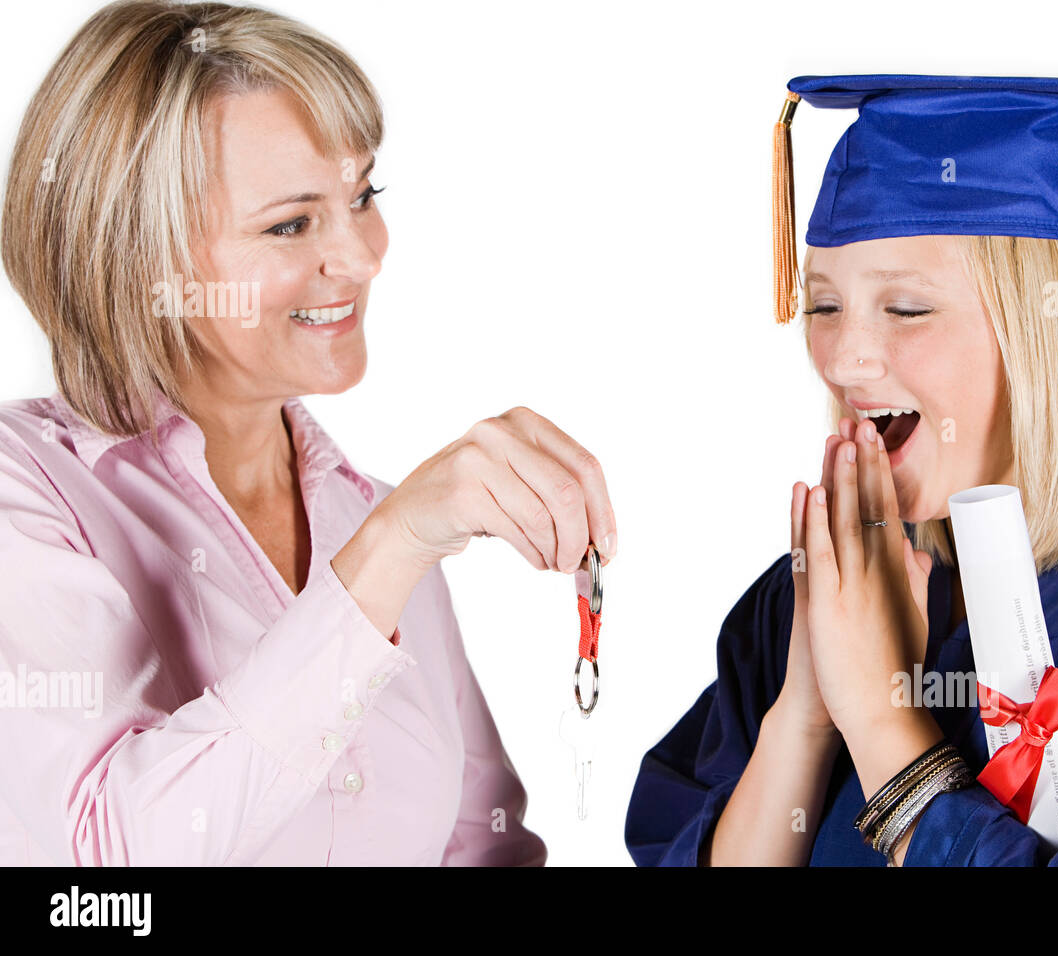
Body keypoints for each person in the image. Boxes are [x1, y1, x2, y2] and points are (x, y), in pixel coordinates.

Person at [624, 74, 1058, 866]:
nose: (843, 358)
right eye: (823, 307)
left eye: (907, 308)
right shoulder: (809, 597)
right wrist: (807, 709)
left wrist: (882, 725)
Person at [0, 0, 616, 865]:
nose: (363, 256)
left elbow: (479, 839)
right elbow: (114, 852)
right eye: (292, 224)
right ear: (140, 256)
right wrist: (389, 553)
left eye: (363, 196)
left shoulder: (372, 513)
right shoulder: (24, 490)